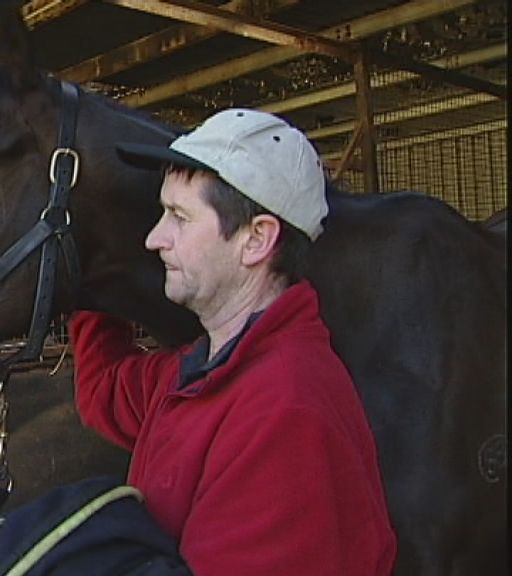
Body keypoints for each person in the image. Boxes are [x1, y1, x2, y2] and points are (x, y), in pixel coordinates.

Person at [69, 108, 396, 575]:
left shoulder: (286, 413)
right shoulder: (199, 369)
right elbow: (103, 390)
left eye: (178, 216)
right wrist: (87, 275)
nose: (153, 238)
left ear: (256, 240)